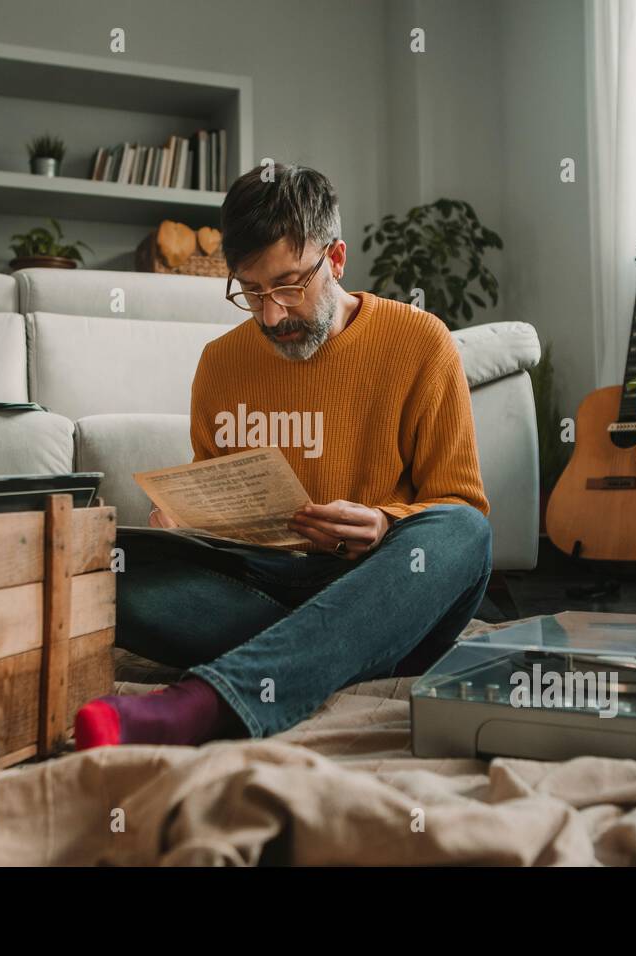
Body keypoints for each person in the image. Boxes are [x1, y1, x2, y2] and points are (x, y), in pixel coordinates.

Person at [74, 163, 492, 749]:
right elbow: (211, 493)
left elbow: (460, 500)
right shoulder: (220, 363)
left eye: (290, 285)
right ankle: (329, 655)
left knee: (464, 533)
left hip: (382, 583)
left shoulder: (422, 343)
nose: (272, 315)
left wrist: (382, 524)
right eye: (251, 290)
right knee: (106, 568)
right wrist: (181, 526)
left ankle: (204, 704)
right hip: (260, 591)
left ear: (337, 259)